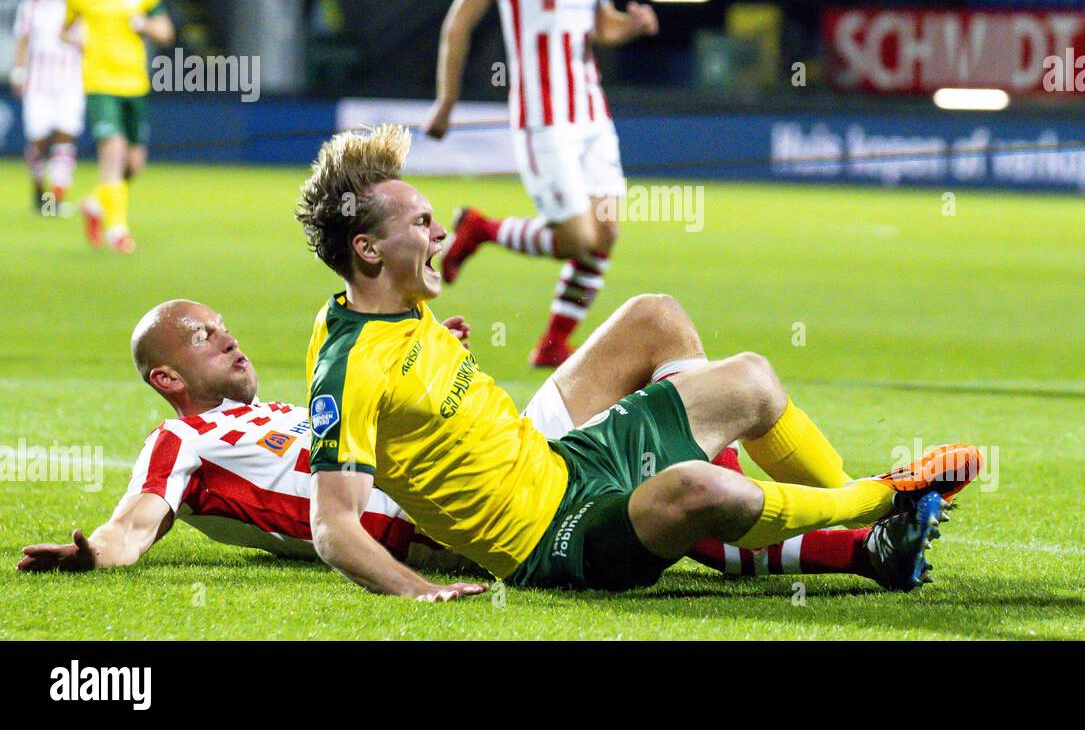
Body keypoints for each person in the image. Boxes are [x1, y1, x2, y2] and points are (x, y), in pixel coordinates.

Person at [295, 124, 981, 599]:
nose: (441, 232)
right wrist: (420, 592)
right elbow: (333, 525)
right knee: (700, 489)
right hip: (556, 538)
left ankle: (869, 530)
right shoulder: (349, 367)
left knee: (752, 378)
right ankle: (884, 497)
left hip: (566, 462)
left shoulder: (381, 310)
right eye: (421, 224)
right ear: (368, 251)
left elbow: (393, 366)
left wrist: (439, 346)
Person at [18, 298, 965, 587]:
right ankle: (848, 537)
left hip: (500, 448)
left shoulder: (322, 382)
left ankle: (824, 505)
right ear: (166, 380)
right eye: (197, 336)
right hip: (461, 513)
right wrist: (94, 551)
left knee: (657, 324)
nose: (223, 334)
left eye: (218, 322)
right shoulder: (182, 442)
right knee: (680, 483)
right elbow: (138, 519)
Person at [423, 0, 658, 367]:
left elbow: (601, 27)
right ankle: (481, 230)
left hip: (592, 111)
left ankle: (553, 342)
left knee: (606, 233)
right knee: (577, 239)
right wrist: (446, 100)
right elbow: (460, 21)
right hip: (543, 117)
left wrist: (633, 25)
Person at [62, 0, 175, 254]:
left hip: (135, 85)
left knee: (134, 164)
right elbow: (65, 31)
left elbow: (166, 32)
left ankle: (96, 203)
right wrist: (76, 40)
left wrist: (147, 26)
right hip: (100, 84)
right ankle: (118, 230)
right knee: (113, 149)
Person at [9, 0, 82, 215]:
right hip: (38, 83)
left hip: (70, 82)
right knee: (38, 140)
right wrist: (18, 72)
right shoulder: (31, 5)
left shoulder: (80, 5)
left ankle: (57, 197)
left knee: (65, 136)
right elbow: (23, 41)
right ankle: (39, 190)